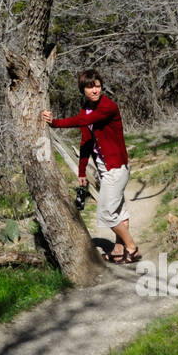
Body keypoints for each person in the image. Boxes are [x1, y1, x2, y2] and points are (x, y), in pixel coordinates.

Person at [41, 69, 141, 263]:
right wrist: (81, 171)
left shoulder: (107, 106)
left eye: (97, 85)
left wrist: (54, 123)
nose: (95, 90)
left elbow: (84, 121)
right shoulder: (86, 108)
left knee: (106, 212)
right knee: (118, 211)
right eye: (90, 87)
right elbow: (86, 141)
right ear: (83, 90)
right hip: (105, 168)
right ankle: (119, 251)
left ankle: (132, 247)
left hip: (116, 167)